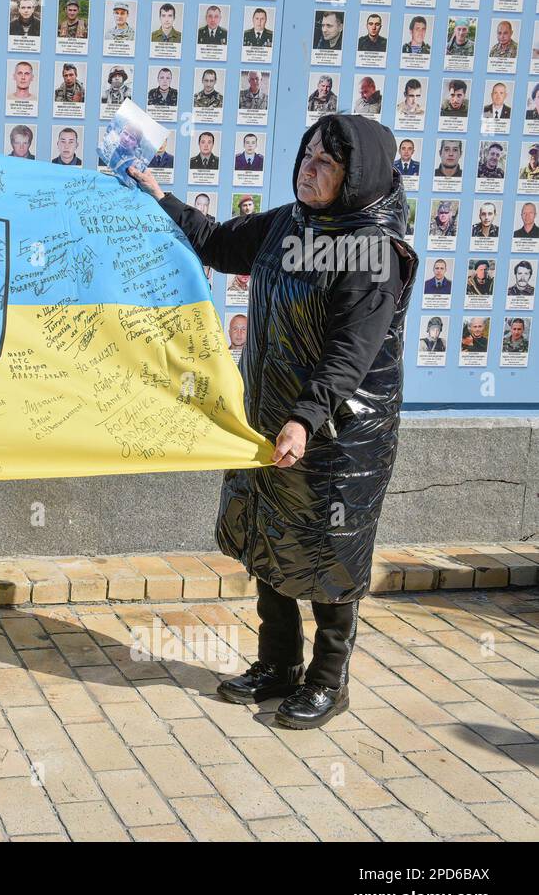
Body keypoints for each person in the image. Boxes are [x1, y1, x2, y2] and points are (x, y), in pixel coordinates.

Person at [130, 113, 418, 729]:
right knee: (270, 538)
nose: (308, 169)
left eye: (325, 164)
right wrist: (160, 196)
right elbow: (217, 241)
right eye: (307, 154)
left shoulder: (373, 249)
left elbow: (351, 351)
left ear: (357, 177)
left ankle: (327, 681)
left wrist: (306, 418)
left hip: (341, 433)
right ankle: (277, 665)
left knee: (332, 554)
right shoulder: (290, 223)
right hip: (272, 417)